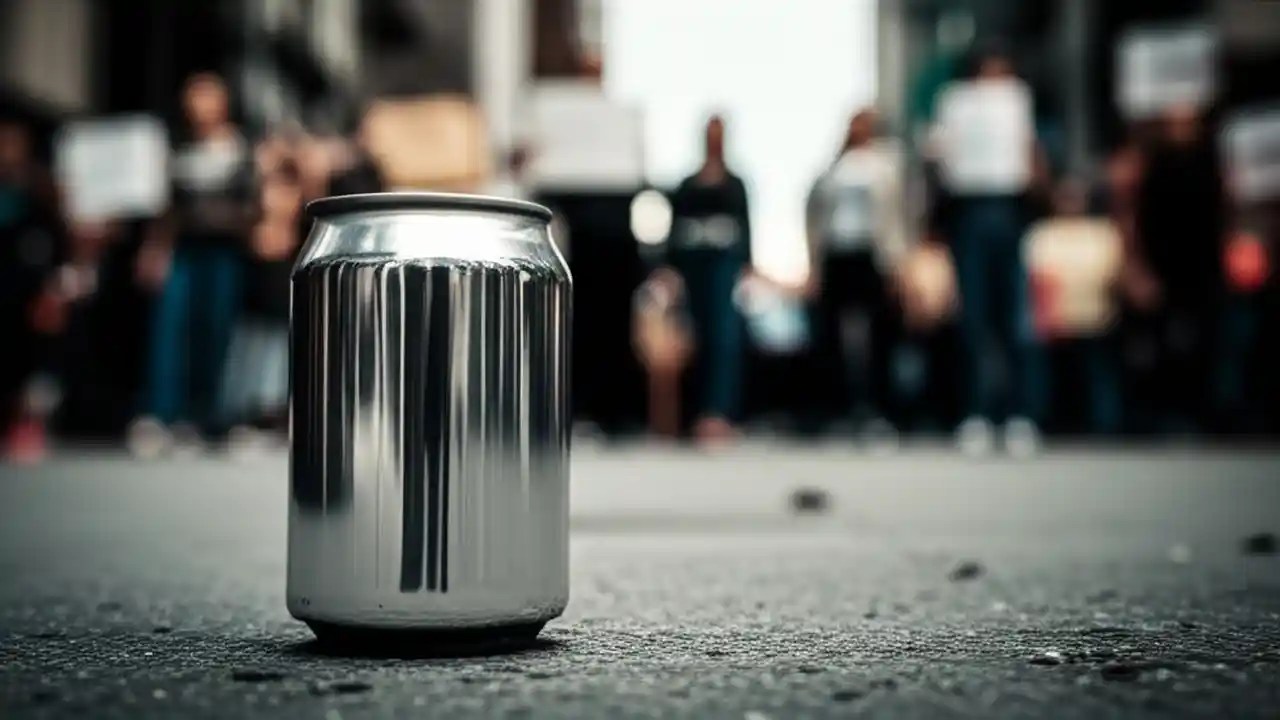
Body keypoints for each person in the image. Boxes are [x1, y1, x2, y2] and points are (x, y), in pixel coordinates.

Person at [129, 73, 255, 456]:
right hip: (183, 249)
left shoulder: (240, 148)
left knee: (215, 331)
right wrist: (154, 248)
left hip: (224, 251)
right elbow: (164, 208)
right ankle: (162, 413)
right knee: (169, 326)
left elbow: (254, 206)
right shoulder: (178, 148)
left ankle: (205, 416)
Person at [933, 49, 1046, 456]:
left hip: (1007, 206)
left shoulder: (1015, 102)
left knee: (1015, 318)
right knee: (974, 318)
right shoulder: (957, 104)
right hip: (971, 209)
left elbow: (1030, 157)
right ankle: (976, 412)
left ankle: (1019, 414)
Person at [804, 109, 908, 443]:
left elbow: (897, 216)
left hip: (871, 256)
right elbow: (814, 213)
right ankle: (838, 409)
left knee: (878, 335)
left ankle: (878, 409)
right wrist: (814, 264)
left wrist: (898, 264)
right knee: (833, 336)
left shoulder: (886, 165)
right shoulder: (834, 168)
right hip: (837, 255)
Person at [1125, 104, 1228, 434]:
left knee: (1206, 344)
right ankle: (1163, 416)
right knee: (1160, 347)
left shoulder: (1211, 164)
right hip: (1161, 267)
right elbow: (1135, 219)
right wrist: (1137, 266)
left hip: (1203, 269)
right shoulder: (1152, 165)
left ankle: (1206, 414)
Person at [666, 116, 752, 444]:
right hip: (691, 264)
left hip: (723, 263)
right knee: (692, 337)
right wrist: (669, 269)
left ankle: (718, 412)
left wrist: (747, 265)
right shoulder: (688, 184)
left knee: (724, 336)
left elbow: (746, 226)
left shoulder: (735, 183)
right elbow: (674, 230)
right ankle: (692, 414)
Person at [222, 155, 305, 443]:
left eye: (287, 190)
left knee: (280, 373)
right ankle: (249, 420)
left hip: (284, 323)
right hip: (255, 320)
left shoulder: (303, 236)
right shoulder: (251, 233)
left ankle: (277, 421)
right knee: (251, 371)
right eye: (272, 189)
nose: (278, 199)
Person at [0, 119, 64, 460]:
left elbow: (53, 242)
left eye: (13, 144)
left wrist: (51, 290)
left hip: (29, 291)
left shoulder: (37, 191)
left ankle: (27, 423)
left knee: (31, 359)